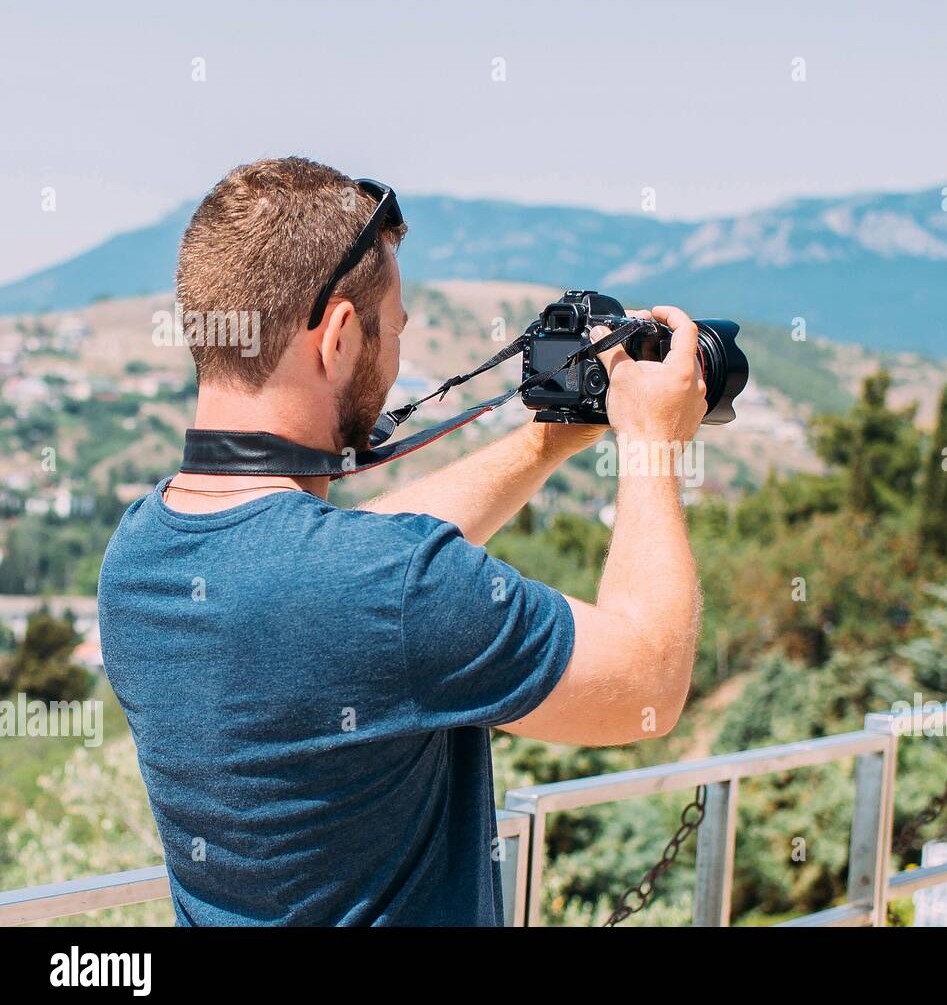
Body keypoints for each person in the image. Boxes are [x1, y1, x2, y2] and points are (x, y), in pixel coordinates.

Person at [98, 156, 706, 926]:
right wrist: (651, 442)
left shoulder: (140, 554)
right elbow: (649, 687)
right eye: (394, 328)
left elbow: (338, 563)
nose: (397, 358)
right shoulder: (389, 590)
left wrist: (544, 445)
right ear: (342, 335)